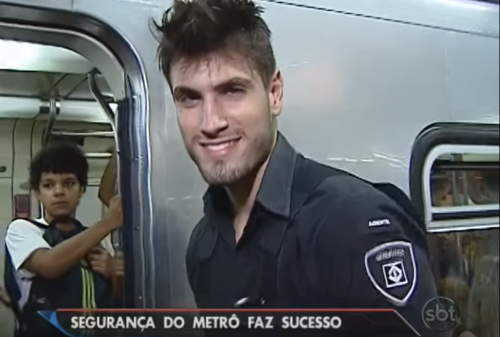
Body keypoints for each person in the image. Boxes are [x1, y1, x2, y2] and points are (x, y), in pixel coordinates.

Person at [154, 1, 441, 336]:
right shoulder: (204, 245)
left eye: (232, 90)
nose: (210, 122)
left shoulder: (350, 223)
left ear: (274, 93)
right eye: (189, 98)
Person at [4, 142, 123, 337]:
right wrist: (108, 223)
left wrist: (115, 274)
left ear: (82, 190)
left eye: (68, 183)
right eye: (48, 185)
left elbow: (116, 303)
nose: (59, 192)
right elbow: (49, 265)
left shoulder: (98, 241)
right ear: (37, 193)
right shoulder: (23, 230)